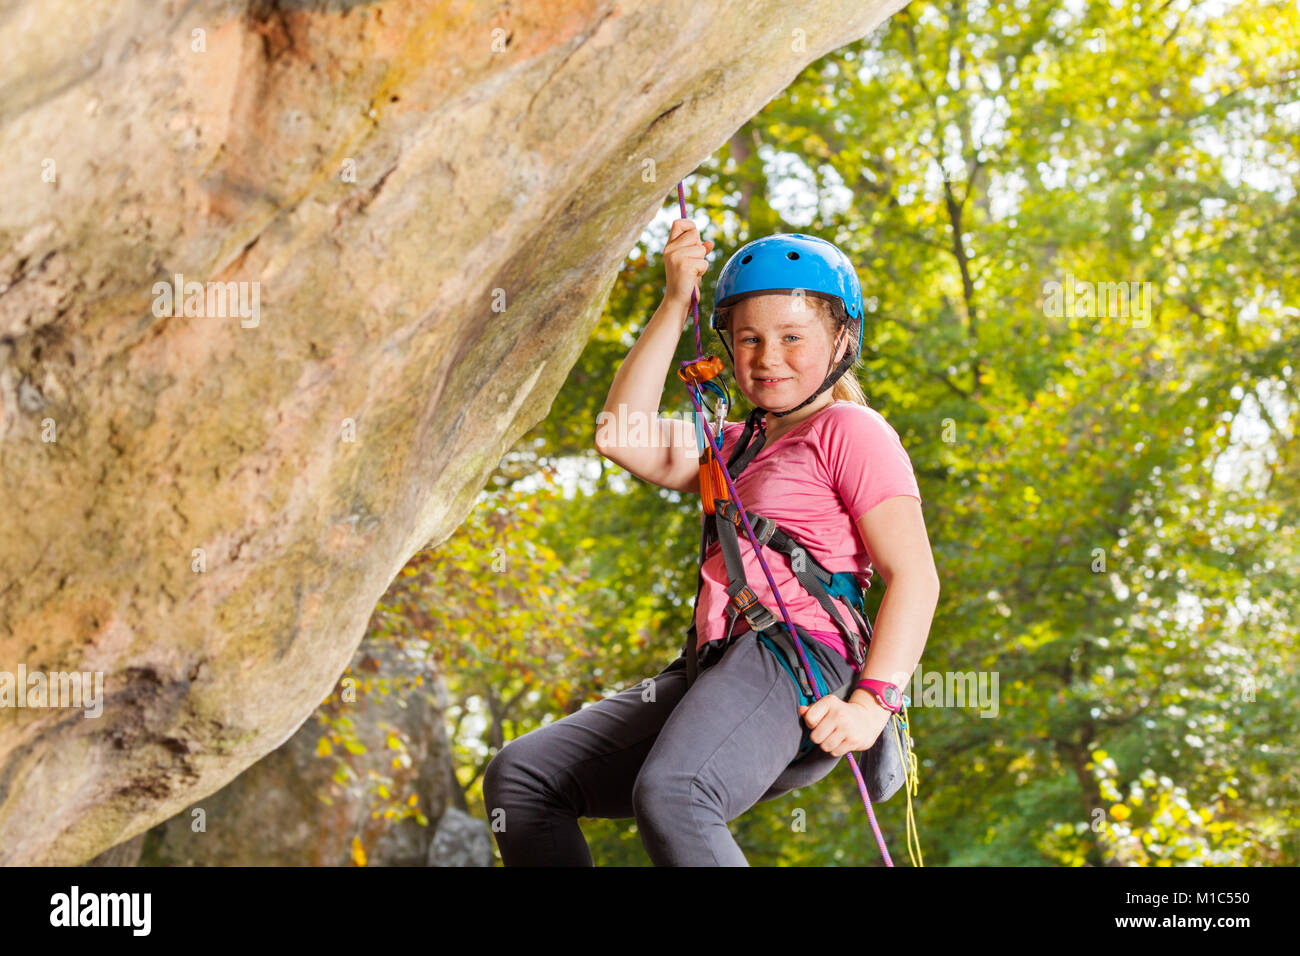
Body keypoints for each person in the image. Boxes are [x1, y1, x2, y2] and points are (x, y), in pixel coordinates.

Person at [482, 218, 940, 866]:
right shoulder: (731, 444)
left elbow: (916, 579)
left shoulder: (851, 430)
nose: (767, 357)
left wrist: (872, 703)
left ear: (842, 339)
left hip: (798, 661)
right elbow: (621, 435)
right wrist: (675, 301)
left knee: (676, 794)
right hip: (718, 667)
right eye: (748, 338)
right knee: (525, 779)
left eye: (791, 337)